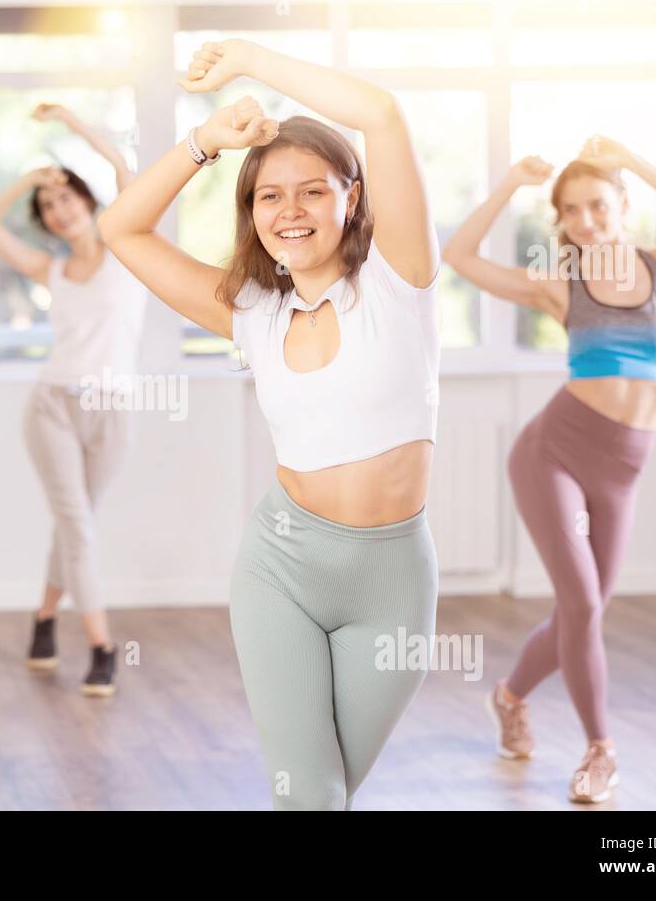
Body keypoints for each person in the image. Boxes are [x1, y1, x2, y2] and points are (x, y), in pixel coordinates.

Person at [99, 39, 441, 809]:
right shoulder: (252, 311)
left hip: (392, 581)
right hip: (280, 572)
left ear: (352, 197)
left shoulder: (400, 280)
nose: (291, 212)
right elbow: (121, 229)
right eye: (269, 197)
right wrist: (204, 144)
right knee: (311, 797)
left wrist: (253, 61)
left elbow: (382, 114)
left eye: (313, 191)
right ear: (251, 214)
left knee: (330, 793)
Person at [442, 136, 656, 803]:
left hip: (623, 471)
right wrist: (509, 183)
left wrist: (638, 163)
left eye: (598, 205)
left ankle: (508, 698)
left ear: (623, 204)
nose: (585, 220)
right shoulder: (560, 287)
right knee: (584, 604)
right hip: (553, 454)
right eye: (570, 211)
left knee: (579, 613)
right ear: (559, 221)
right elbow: (459, 258)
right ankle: (601, 752)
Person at [0, 103, 147, 697]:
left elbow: (124, 165)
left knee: (78, 526)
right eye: (49, 207)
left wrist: (71, 120)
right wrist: (29, 178)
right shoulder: (50, 269)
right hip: (52, 406)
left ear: (88, 201)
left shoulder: (131, 249)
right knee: (77, 525)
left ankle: (44, 619)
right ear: (45, 222)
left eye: (67, 198)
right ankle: (102, 647)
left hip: (113, 412)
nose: (59, 209)